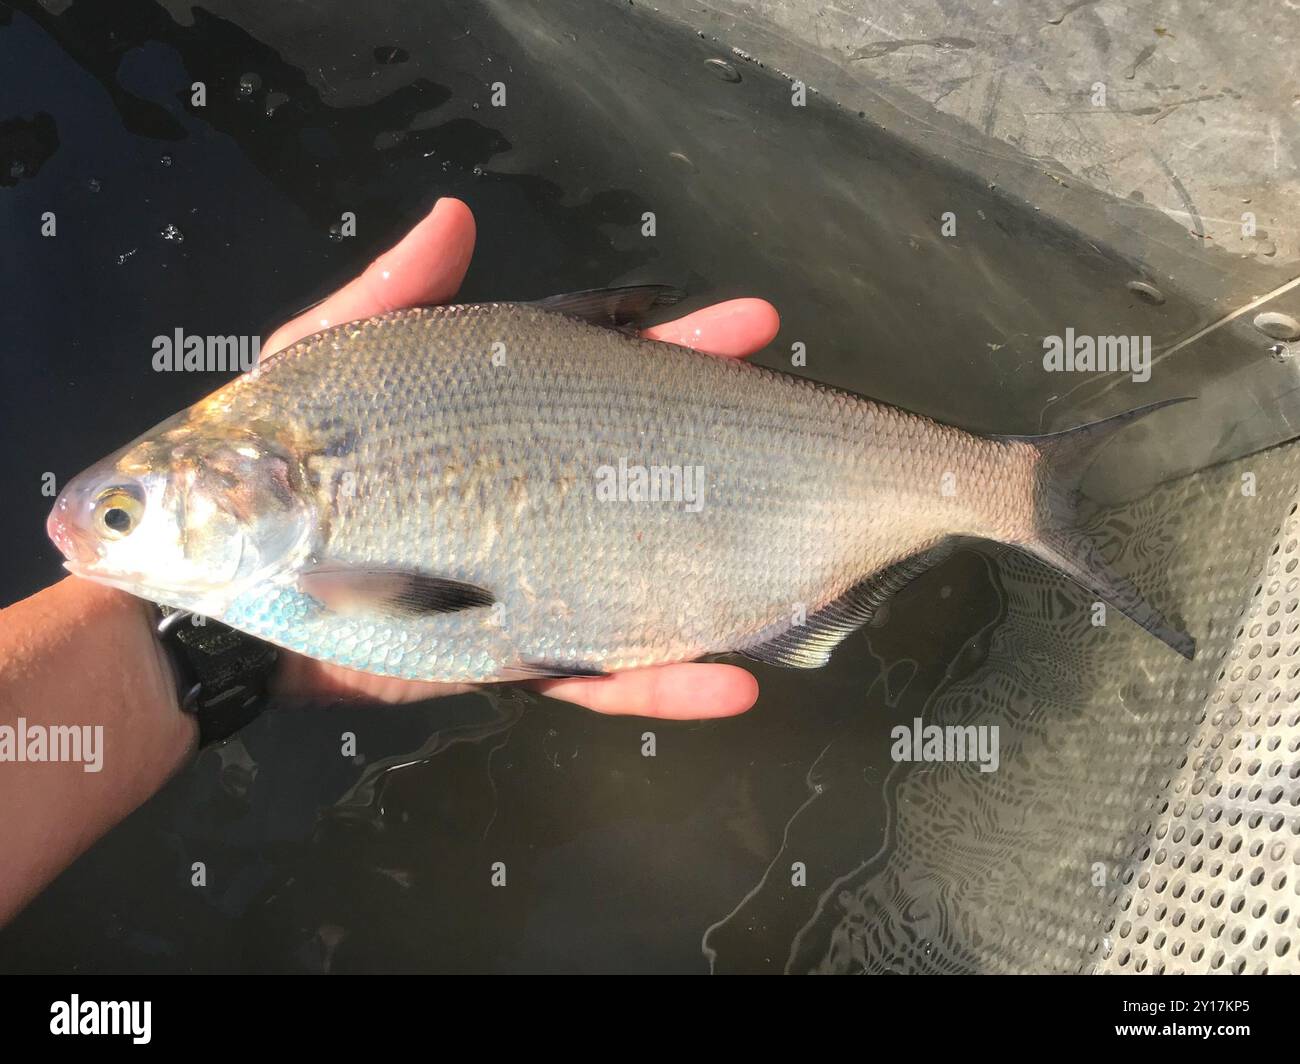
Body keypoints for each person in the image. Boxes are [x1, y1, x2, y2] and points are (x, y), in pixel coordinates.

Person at [0, 198, 778, 924]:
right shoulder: (279, 470)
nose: (90, 535)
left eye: (118, 516)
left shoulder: (290, 433)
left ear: (252, 479)